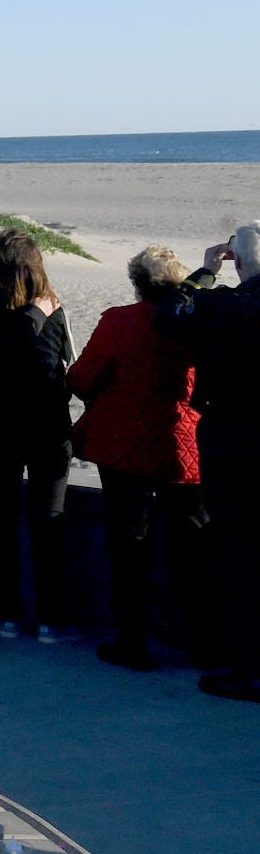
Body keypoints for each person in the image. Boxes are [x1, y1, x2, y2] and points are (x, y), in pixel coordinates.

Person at [69, 244, 216, 673]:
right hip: (182, 448)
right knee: (194, 551)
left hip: (124, 449)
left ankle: (132, 643)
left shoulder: (120, 321)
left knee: (129, 547)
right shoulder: (198, 323)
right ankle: (205, 646)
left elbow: (81, 378)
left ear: (137, 284)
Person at [160, 219, 260, 701]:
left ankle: (247, 670)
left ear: (235, 260)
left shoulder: (224, 307)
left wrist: (203, 271)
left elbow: (171, 316)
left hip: (233, 439)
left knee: (240, 553)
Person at [0, 230, 72, 642]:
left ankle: (10, 613)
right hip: (44, 428)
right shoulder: (46, 313)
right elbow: (58, 367)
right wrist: (35, 317)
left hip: (1, 428)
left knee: (3, 518)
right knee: (46, 522)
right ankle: (46, 616)